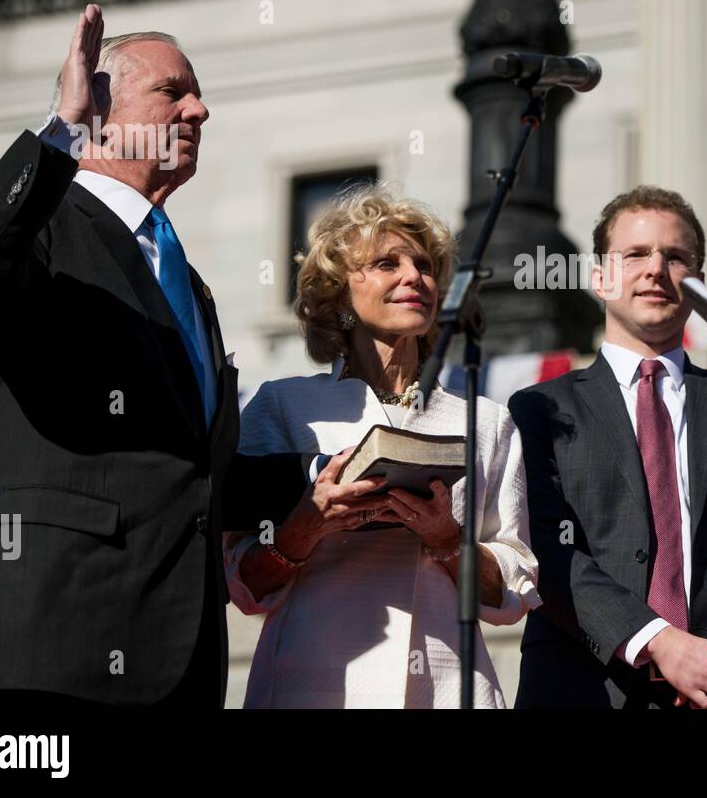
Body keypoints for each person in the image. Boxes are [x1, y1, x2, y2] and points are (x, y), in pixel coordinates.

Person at [0, 4, 354, 707]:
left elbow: (188, 473)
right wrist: (60, 129)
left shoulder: (186, 280)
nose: (201, 110)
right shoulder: (44, 224)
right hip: (47, 655)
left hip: (176, 664)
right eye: (173, 92)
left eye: (197, 92)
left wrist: (337, 468)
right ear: (99, 106)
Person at [223, 184, 539, 708]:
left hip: (445, 688)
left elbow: (512, 588)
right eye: (386, 263)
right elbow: (243, 587)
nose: (415, 277)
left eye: (424, 266)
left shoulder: (487, 421)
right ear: (339, 293)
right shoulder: (283, 406)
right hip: (314, 685)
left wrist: (447, 540)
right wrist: (307, 525)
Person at [510, 186, 707, 709]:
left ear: (699, 284)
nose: (656, 269)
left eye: (676, 257)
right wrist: (662, 643)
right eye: (634, 255)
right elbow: (545, 550)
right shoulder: (538, 410)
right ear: (600, 278)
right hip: (581, 690)